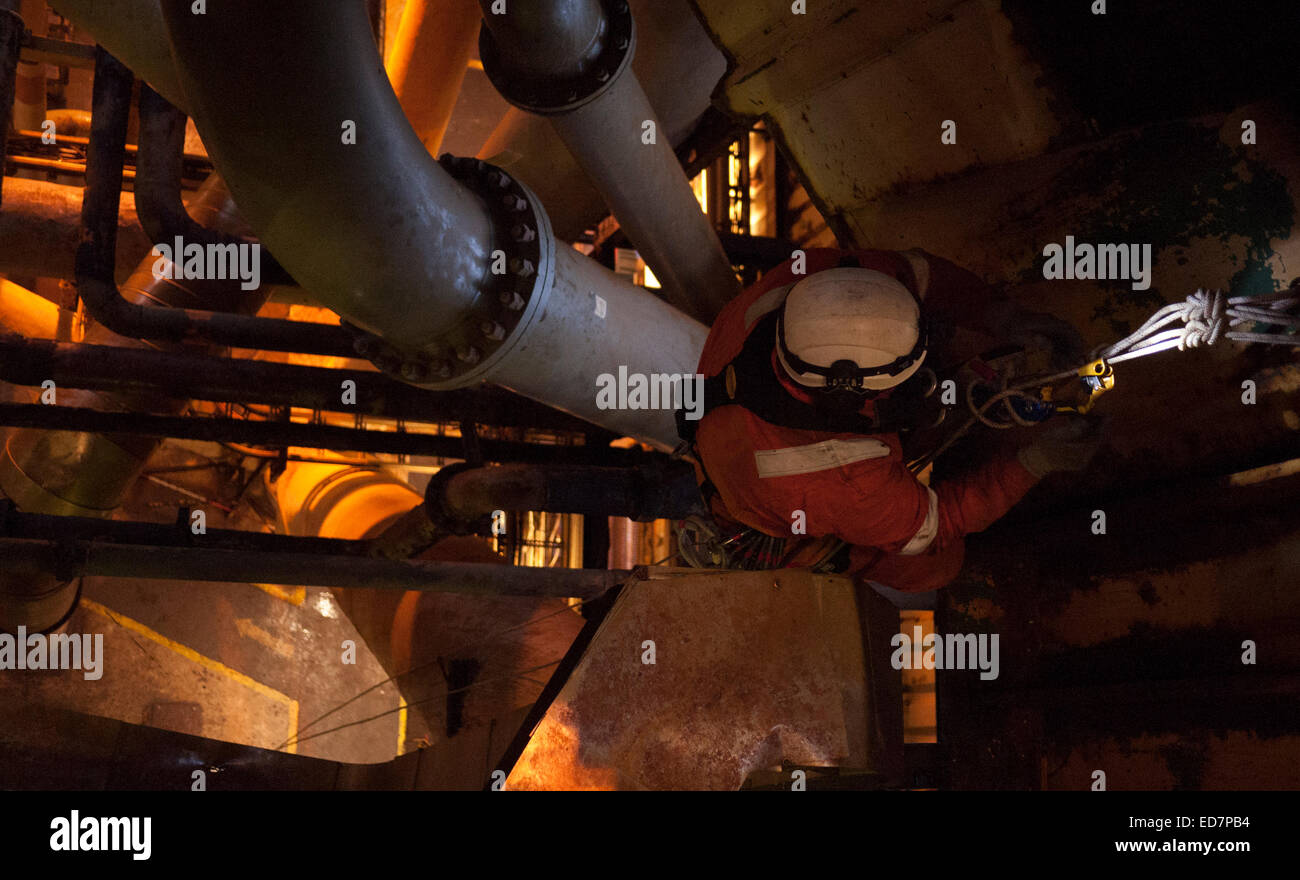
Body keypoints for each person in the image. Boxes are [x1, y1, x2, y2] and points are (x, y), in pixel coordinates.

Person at [685, 247, 1102, 593]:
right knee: (938, 564)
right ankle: (833, 558)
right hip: (759, 499)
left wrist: (1003, 316)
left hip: (724, 427)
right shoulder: (839, 480)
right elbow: (939, 523)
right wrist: (1037, 462)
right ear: (848, 395)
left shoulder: (822, 281)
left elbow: (916, 273)